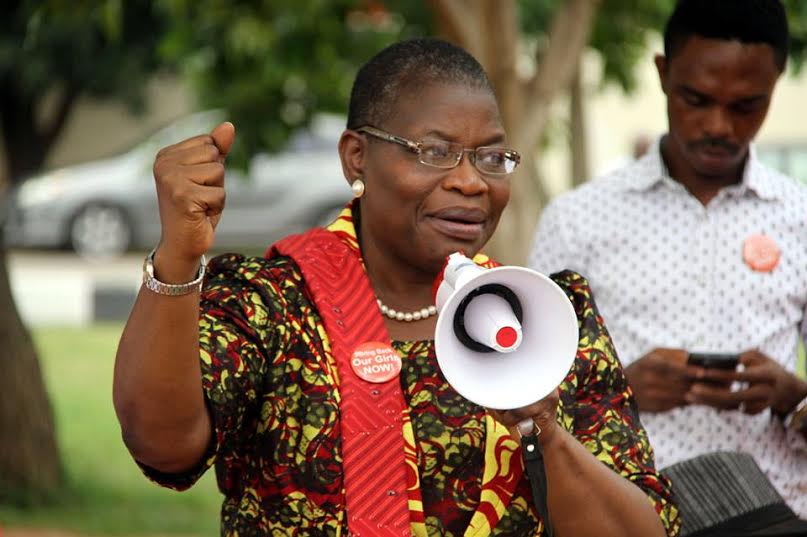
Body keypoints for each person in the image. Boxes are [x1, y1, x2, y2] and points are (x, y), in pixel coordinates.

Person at [114, 38, 678, 536]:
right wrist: (178, 257)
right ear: (356, 156)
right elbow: (164, 445)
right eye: (435, 152)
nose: (469, 181)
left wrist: (545, 431)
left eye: (490, 157)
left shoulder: (549, 318)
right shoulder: (271, 303)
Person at [529, 0, 807, 520]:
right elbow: (525, 401)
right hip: (627, 520)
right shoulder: (578, 220)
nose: (719, 126)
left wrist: (792, 397)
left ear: (776, 83)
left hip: (777, 515)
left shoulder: (801, 218)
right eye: (696, 99)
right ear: (662, 73)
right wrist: (621, 388)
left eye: (747, 105)